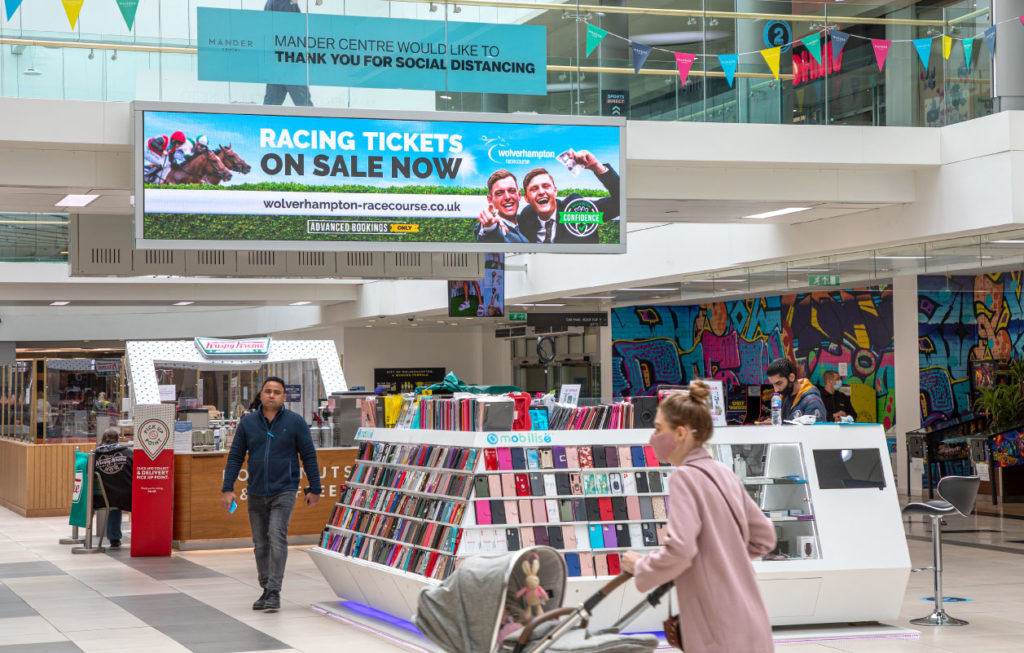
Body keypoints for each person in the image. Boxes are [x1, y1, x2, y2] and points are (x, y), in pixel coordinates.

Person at [620, 381, 776, 653]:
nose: (652, 438)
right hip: (751, 619)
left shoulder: (684, 477)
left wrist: (642, 566)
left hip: (717, 626)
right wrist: (721, 555)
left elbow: (681, 550)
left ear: (680, 433)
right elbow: (764, 537)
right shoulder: (723, 472)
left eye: (658, 429)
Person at [221, 376, 322, 613]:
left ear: (284, 397)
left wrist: (315, 488)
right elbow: (236, 456)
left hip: (284, 489)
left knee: (277, 536)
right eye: (268, 391)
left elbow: (308, 456)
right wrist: (228, 488)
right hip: (255, 491)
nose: (272, 395)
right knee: (260, 543)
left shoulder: (295, 422)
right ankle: (265, 587)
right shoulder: (248, 424)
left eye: (277, 392)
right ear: (261, 394)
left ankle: (274, 591)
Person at [517, 150, 620, 245]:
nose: (541, 192)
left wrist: (597, 167)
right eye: (534, 189)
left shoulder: (576, 209)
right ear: (526, 198)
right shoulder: (526, 216)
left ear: (555, 191)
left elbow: (619, 204)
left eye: (546, 186)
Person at [263, 0, 322, 107]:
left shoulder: (274, 2)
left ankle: (263, 122)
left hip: (278, 61)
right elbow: (290, 32)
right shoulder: (285, 2)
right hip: (289, 62)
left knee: (272, 104)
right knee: (304, 105)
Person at [93, 427, 132, 548]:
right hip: (128, 497)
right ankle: (140, 535)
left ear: (102, 440)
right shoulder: (128, 453)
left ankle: (114, 539)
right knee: (120, 498)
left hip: (101, 498)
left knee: (112, 500)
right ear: (118, 440)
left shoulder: (94, 455)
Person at [475, 169, 529, 243]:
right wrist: (490, 227)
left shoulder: (529, 223)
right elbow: (490, 236)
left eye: (511, 191)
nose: (507, 197)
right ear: (490, 200)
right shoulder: (496, 229)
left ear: (519, 195)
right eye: (499, 193)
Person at [765, 357, 827, 422]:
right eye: (773, 384)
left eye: (779, 383)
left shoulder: (812, 402)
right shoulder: (780, 399)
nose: (776, 389)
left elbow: (816, 431)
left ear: (791, 377)